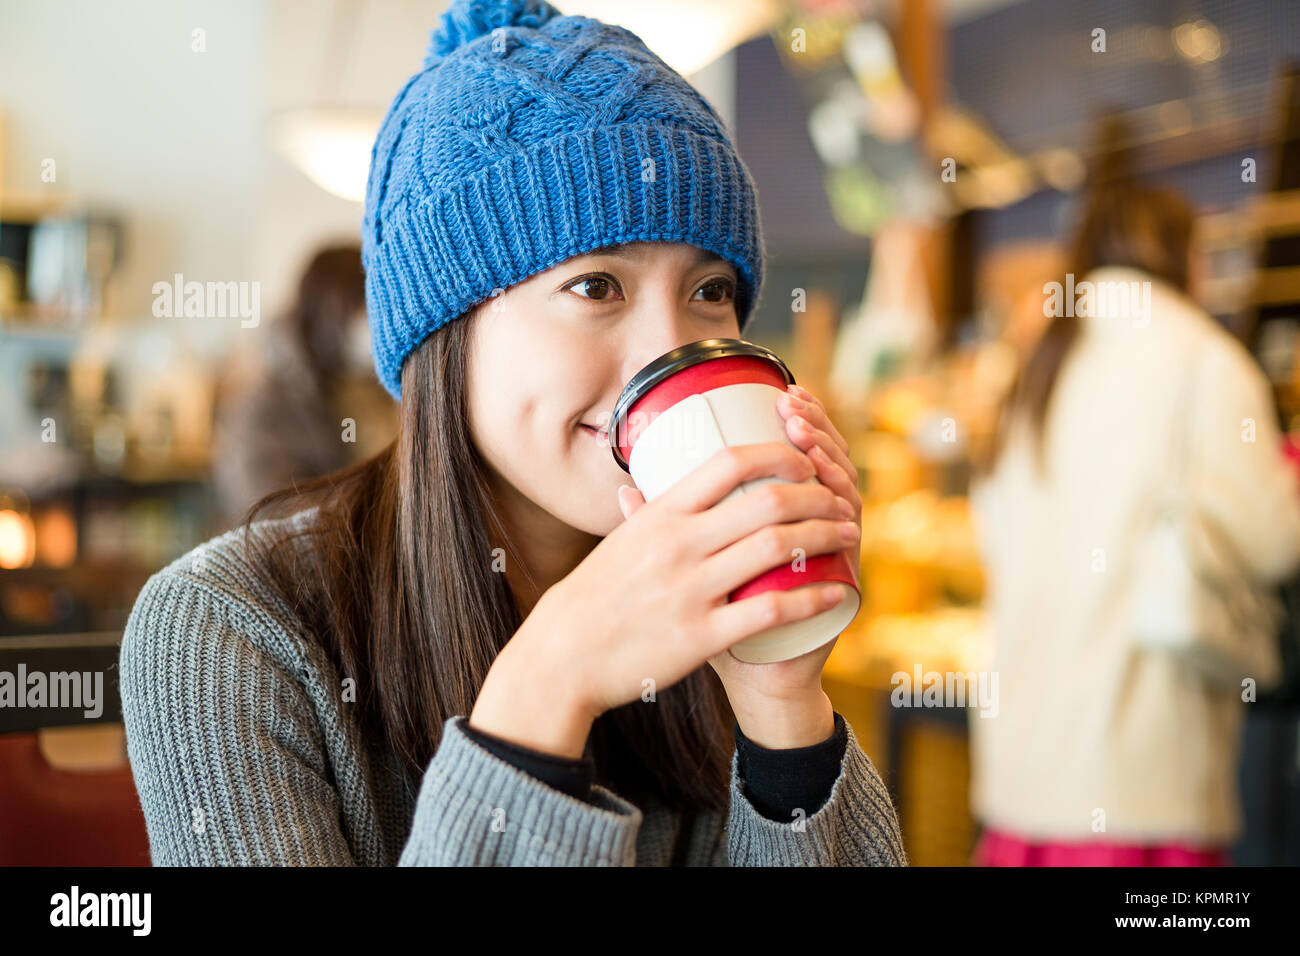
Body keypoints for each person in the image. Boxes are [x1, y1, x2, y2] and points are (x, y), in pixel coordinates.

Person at [118, 0, 906, 866]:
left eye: (710, 289)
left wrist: (781, 703)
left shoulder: (708, 613)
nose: (670, 353)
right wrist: (545, 693)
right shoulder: (229, 627)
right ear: (445, 333)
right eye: (597, 286)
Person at [969, 180, 1300, 865]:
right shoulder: (1206, 360)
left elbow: (992, 533)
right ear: (1182, 255)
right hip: (1139, 789)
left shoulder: (1038, 360)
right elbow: (1275, 544)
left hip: (1023, 777)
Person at [210, 244, 395, 528]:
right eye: (362, 308)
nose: (371, 325)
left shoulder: (376, 388)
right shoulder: (265, 406)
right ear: (327, 312)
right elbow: (266, 512)